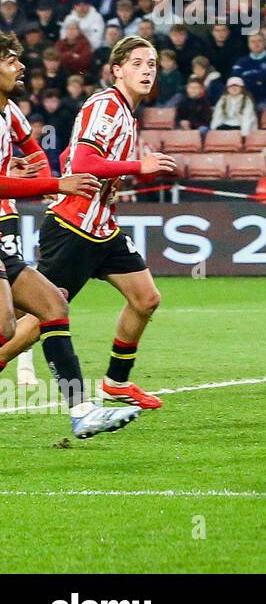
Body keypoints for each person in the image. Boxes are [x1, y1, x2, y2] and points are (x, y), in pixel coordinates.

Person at [0, 37, 179, 418]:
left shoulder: (127, 113)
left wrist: (98, 181)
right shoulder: (106, 105)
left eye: (152, 64)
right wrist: (136, 167)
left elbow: (68, 155)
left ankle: (115, 381)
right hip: (72, 228)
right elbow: (83, 159)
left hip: (102, 227)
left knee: (146, 298)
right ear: (117, 70)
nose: (147, 70)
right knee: (37, 319)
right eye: (138, 63)